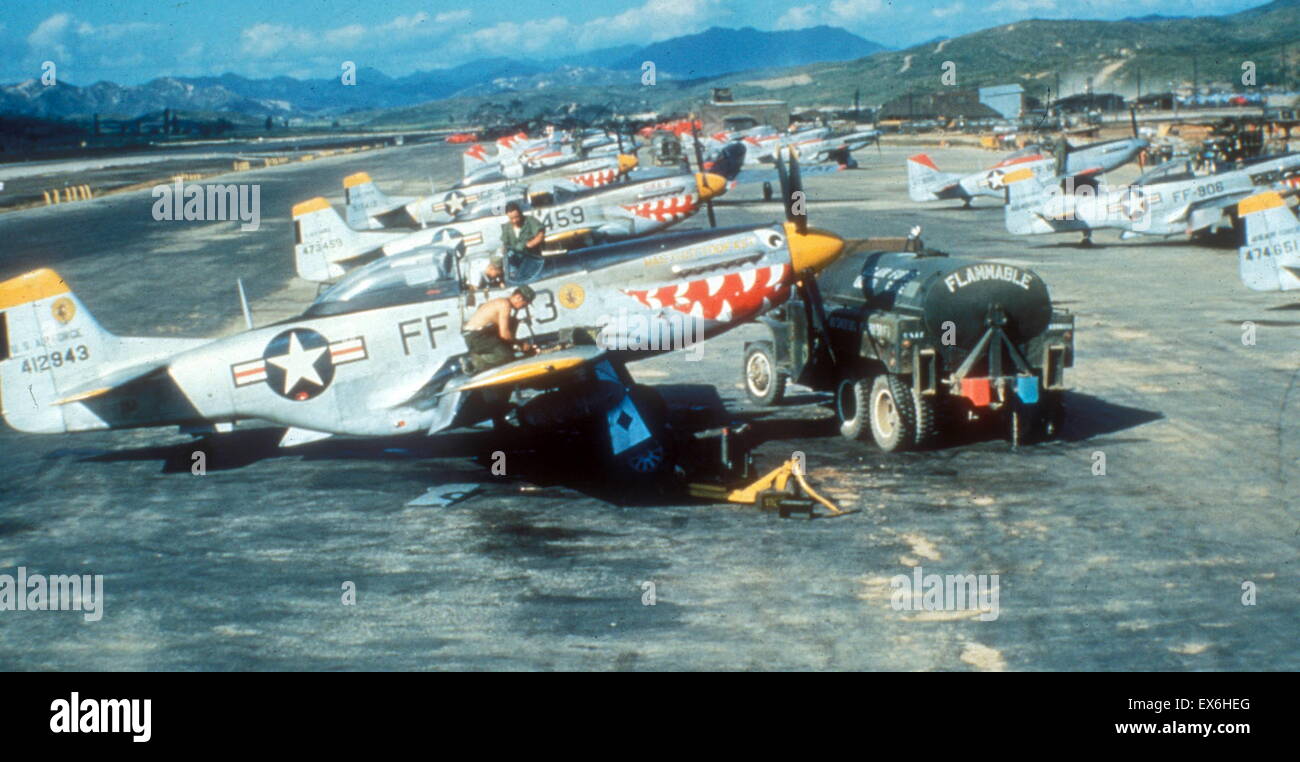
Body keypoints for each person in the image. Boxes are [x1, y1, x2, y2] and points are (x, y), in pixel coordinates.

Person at [461, 285, 536, 372]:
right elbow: (504, 334)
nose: (525, 307)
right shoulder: (504, 304)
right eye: (525, 303)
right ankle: (473, 364)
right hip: (477, 337)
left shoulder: (501, 302)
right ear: (518, 297)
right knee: (507, 357)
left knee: (513, 322)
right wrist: (520, 344)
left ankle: (482, 358)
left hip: (477, 335)